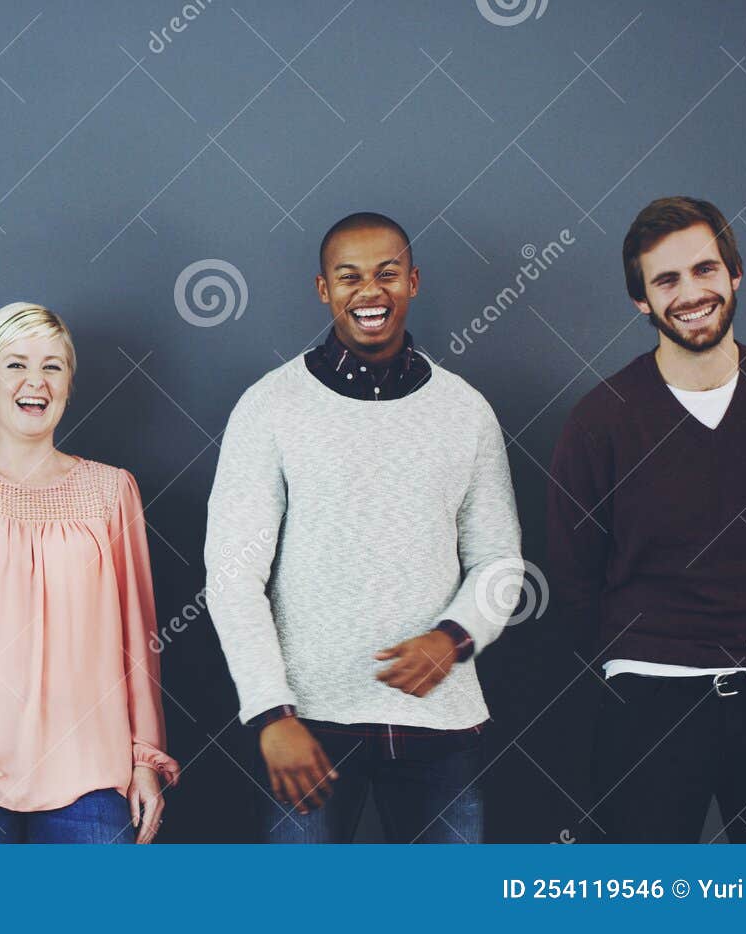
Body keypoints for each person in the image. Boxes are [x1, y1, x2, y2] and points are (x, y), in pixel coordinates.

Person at [205, 213, 524, 844]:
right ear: (324, 289)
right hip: (309, 728)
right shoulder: (270, 405)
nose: (370, 291)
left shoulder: (465, 409)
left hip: (441, 725)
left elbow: (499, 560)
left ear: (413, 282)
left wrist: (454, 638)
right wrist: (271, 713)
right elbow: (234, 576)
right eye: (349, 276)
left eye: (387, 274)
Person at [548, 196, 746, 843]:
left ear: (734, 274)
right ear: (641, 301)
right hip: (650, 699)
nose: (692, 292)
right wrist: (636, 656)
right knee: (644, 902)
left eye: (705, 270)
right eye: (667, 280)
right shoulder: (602, 417)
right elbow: (573, 575)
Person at [0, 302, 178, 844]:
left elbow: (139, 641)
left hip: (91, 768)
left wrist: (143, 758)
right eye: (16, 364)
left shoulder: (113, 492)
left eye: (52, 366)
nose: (35, 382)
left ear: (69, 383)